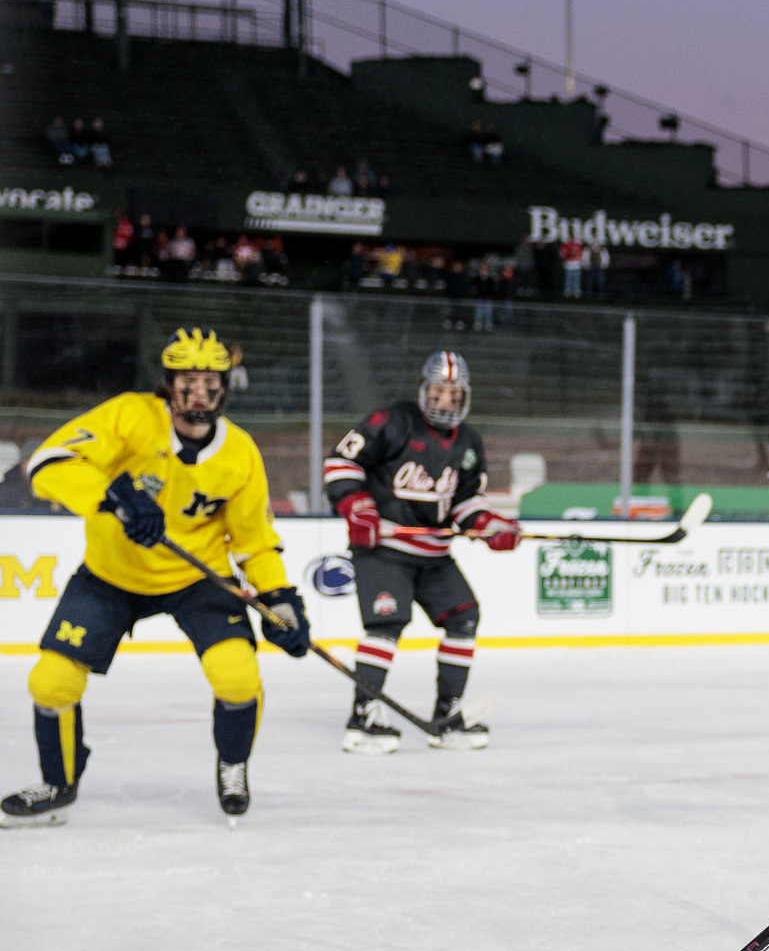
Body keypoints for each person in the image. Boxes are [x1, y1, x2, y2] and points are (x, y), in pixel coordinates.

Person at [6, 330, 307, 825]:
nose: (198, 393)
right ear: (167, 385)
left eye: (210, 382)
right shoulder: (130, 415)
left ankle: (233, 764)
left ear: (226, 387)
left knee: (238, 676)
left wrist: (281, 600)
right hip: (111, 574)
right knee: (51, 683)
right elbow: (48, 464)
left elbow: (253, 541)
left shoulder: (241, 453)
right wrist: (114, 497)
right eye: (186, 381)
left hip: (197, 578)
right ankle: (58, 783)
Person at [323, 353, 519, 753]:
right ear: (422, 390)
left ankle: (448, 714)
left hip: (434, 554)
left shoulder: (468, 443)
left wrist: (488, 526)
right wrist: (356, 506)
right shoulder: (392, 422)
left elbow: (465, 503)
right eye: (437, 392)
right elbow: (341, 462)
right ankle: (362, 718)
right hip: (385, 548)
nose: (444, 402)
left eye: (452, 394)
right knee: (386, 625)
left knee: (464, 616)